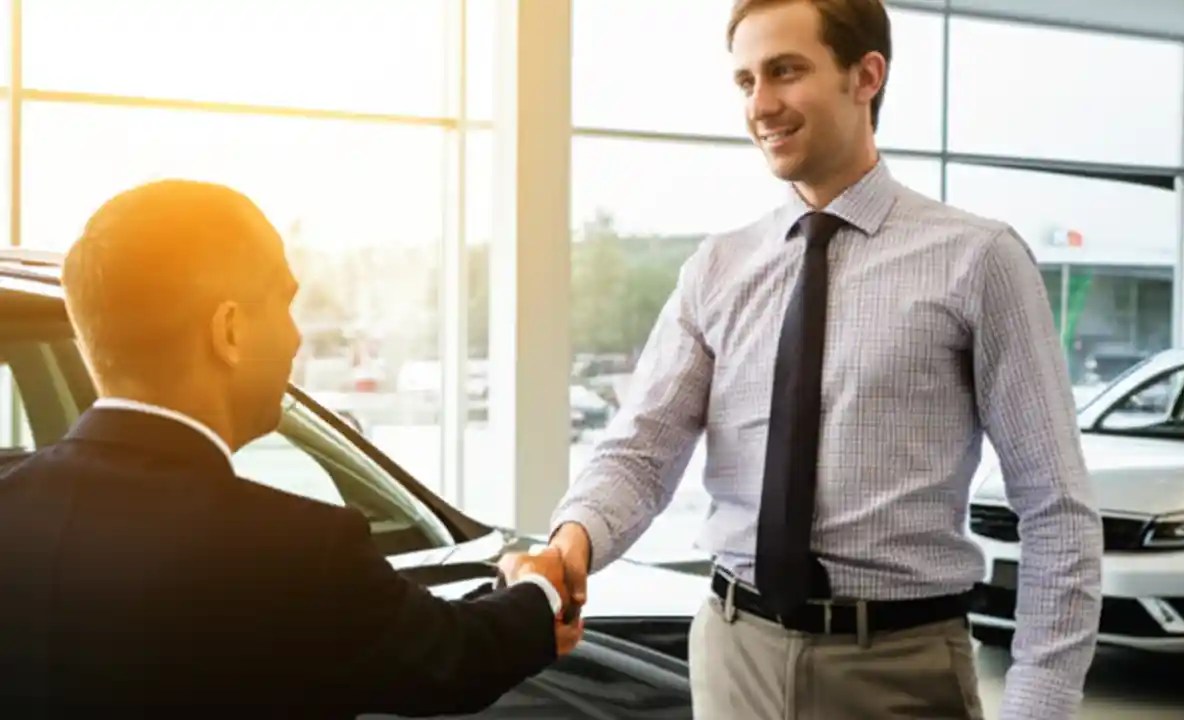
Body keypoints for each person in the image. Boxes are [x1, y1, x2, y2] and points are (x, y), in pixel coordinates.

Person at [548, 0, 1103, 718]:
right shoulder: (718, 267)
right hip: (732, 654)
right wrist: (570, 544)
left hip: (897, 669)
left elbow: (1056, 509)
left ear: (865, 75)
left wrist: (1040, 705)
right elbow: (640, 453)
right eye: (746, 81)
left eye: (785, 72)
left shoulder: (978, 260)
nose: (761, 105)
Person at [0, 180, 583, 719]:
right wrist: (536, 588)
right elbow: (456, 657)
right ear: (228, 331)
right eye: (283, 303)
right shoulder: (296, 551)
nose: (296, 335)